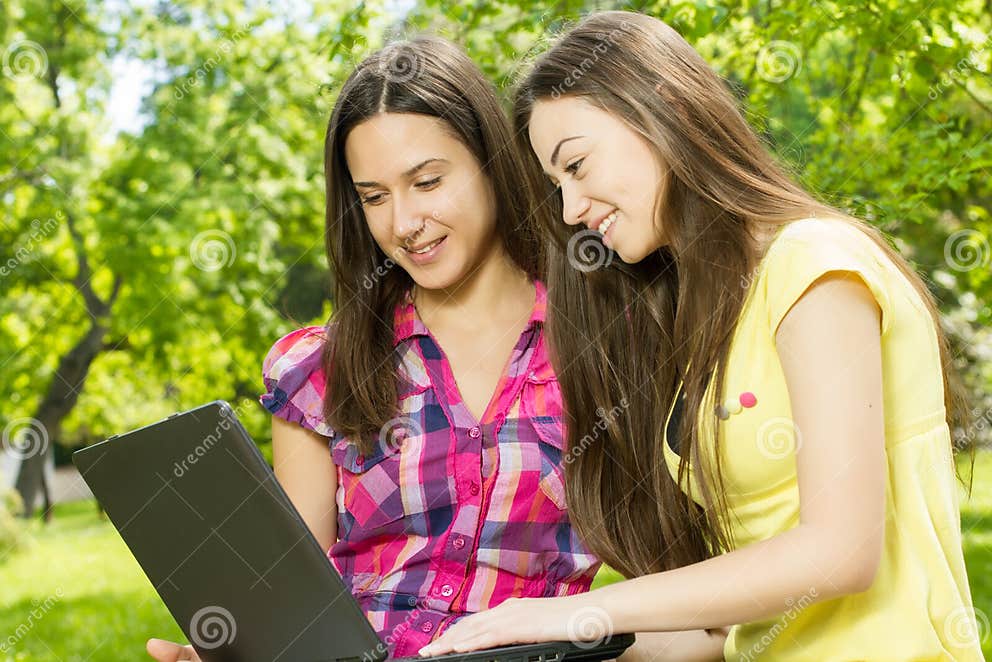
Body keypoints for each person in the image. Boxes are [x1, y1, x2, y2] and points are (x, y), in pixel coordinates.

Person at [420, 11, 983, 662]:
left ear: (663, 106)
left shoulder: (814, 262)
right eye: (556, 186)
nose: (570, 210)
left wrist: (578, 607)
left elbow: (841, 550)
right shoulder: (704, 326)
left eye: (576, 165)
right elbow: (724, 628)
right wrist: (541, 644)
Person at [146, 35, 601, 662]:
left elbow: (675, 574)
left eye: (428, 181)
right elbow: (293, 601)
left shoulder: (599, 344)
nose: (403, 223)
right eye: (374, 198)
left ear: (495, 163)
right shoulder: (322, 367)